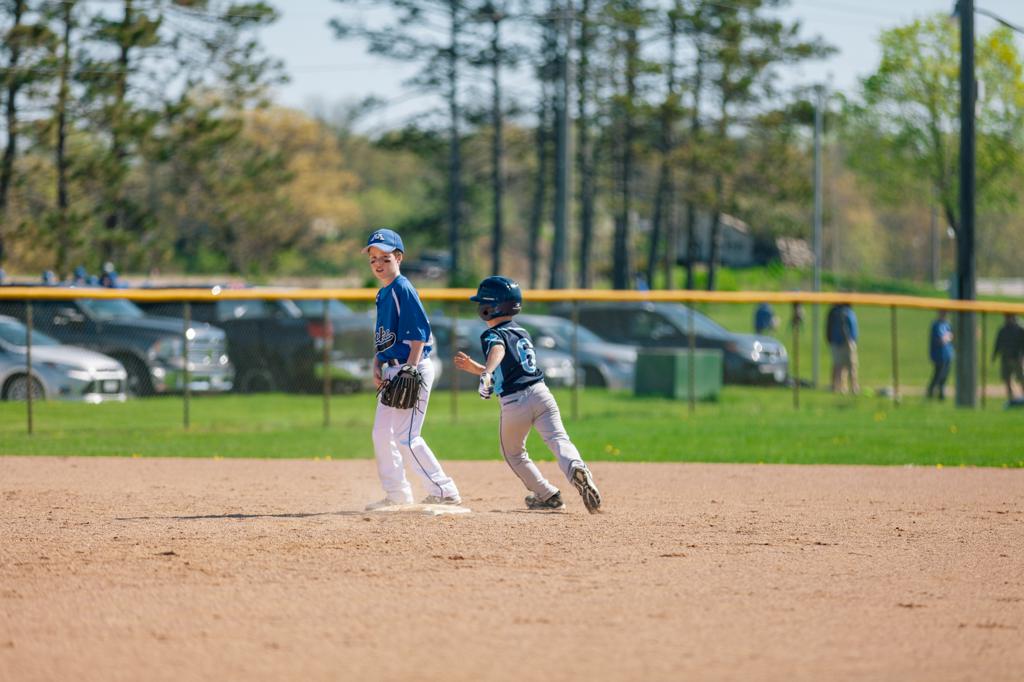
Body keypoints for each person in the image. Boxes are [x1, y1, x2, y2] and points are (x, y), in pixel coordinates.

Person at [453, 276, 602, 513]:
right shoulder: (522, 332)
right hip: (542, 394)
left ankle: (548, 495)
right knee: (559, 439)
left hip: (515, 402)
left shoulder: (492, 334)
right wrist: (480, 370)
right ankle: (577, 467)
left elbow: (498, 349)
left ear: (490, 307)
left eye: (482, 302)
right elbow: (511, 369)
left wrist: (487, 371)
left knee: (513, 454)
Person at [363, 228, 461, 510]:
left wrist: (410, 369)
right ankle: (397, 494)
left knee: (406, 436)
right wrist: (377, 363)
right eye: (373, 259)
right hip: (393, 370)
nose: (379, 264)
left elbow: (419, 334)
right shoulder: (384, 293)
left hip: (411, 368)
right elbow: (385, 338)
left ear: (399, 258)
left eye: (385, 258)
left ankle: (444, 490)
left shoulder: (403, 288)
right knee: (382, 434)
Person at [826, 302, 859, 394]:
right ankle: (845, 387)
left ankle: (841, 387)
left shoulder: (837, 311)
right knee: (847, 365)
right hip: (844, 341)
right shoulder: (845, 312)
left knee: (842, 365)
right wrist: (852, 340)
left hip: (839, 341)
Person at [992, 313, 1024, 404]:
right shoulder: (1003, 329)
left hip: (1016, 358)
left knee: (1021, 378)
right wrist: (994, 355)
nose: (1007, 319)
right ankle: (1011, 398)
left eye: (1009, 316)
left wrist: (1022, 356)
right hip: (1005, 358)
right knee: (1007, 379)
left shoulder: (1020, 329)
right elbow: (998, 343)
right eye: (1006, 317)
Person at [927, 310, 954, 400]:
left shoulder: (948, 325)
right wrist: (948, 337)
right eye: (943, 313)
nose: (945, 315)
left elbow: (952, 336)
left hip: (948, 353)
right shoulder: (936, 325)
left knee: (945, 375)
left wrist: (949, 337)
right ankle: (931, 391)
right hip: (939, 354)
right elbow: (940, 340)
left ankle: (941, 394)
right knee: (938, 374)